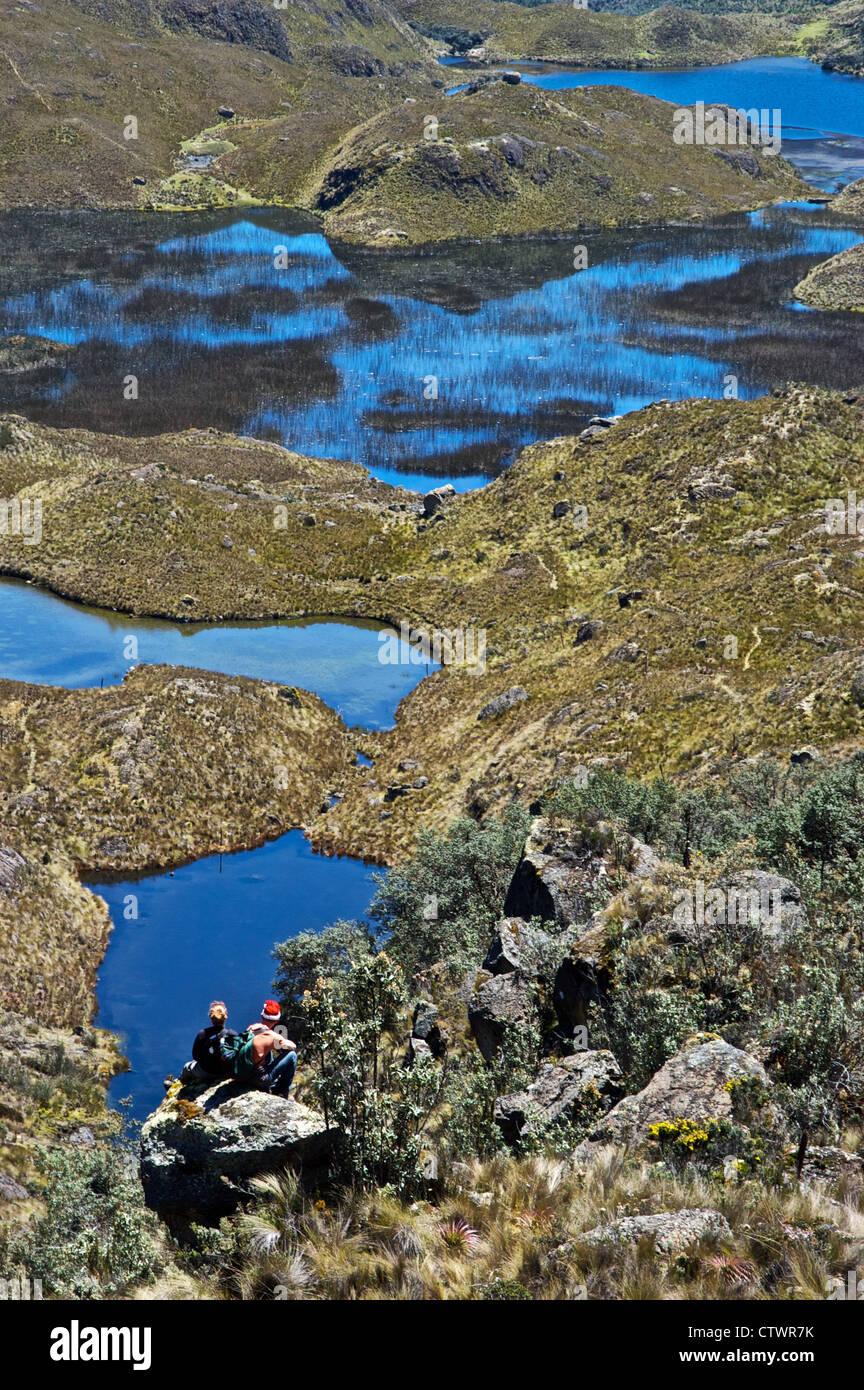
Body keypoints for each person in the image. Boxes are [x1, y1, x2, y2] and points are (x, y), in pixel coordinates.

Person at [246, 999, 297, 1097]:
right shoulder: (272, 1036)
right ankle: (281, 1092)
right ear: (276, 1021)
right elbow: (292, 1046)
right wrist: (279, 1038)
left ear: (262, 1016)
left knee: (267, 1051)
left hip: (246, 1075)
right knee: (292, 1056)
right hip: (260, 1080)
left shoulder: (251, 1028)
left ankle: (273, 1085)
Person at [179, 1001, 236, 1084]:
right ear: (225, 1016)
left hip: (206, 1072)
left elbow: (195, 1056)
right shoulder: (232, 1034)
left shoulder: (203, 1034)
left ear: (211, 1018)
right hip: (225, 1073)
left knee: (187, 1067)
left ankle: (182, 1083)